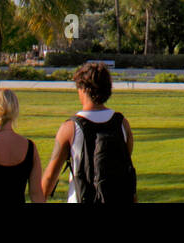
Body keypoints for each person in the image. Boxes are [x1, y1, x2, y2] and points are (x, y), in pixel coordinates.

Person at [41, 62, 137, 202]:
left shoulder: (70, 128)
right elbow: (126, 166)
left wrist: (39, 195)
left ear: (83, 89)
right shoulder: (122, 123)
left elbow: (50, 177)